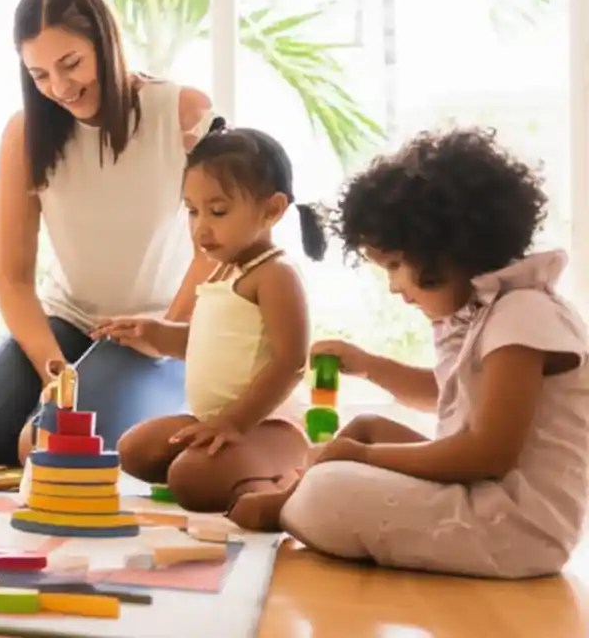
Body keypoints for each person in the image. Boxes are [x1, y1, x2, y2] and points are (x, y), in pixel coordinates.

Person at [228, 126, 589, 579]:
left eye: (397, 266)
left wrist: (362, 459)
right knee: (368, 428)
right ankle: (293, 500)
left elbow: (488, 453)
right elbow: (450, 393)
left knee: (332, 488)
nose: (395, 287)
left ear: (447, 249)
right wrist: (369, 366)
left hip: (515, 528)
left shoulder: (523, 316)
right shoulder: (494, 313)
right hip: (487, 495)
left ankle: (295, 505)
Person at [0, 0, 218, 467]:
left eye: (71, 64)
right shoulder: (25, 135)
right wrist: (55, 373)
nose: (60, 87)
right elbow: (12, 279)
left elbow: (214, 250)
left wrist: (165, 334)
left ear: (104, 43)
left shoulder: (182, 113)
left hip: (157, 328)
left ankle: (153, 400)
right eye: (40, 74)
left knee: (46, 444)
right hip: (68, 322)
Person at [94, 124, 326, 512]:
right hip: (217, 421)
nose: (201, 226)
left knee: (191, 480)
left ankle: (281, 477)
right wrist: (151, 333)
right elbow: (199, 343)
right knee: (133, 449)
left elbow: (291, 363)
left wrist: (236, 423)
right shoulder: (221, 271)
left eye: (218, 211)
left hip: (266, 425)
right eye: (192, 211)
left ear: (271, 210)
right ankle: (222, 469)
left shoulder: (275, 275)